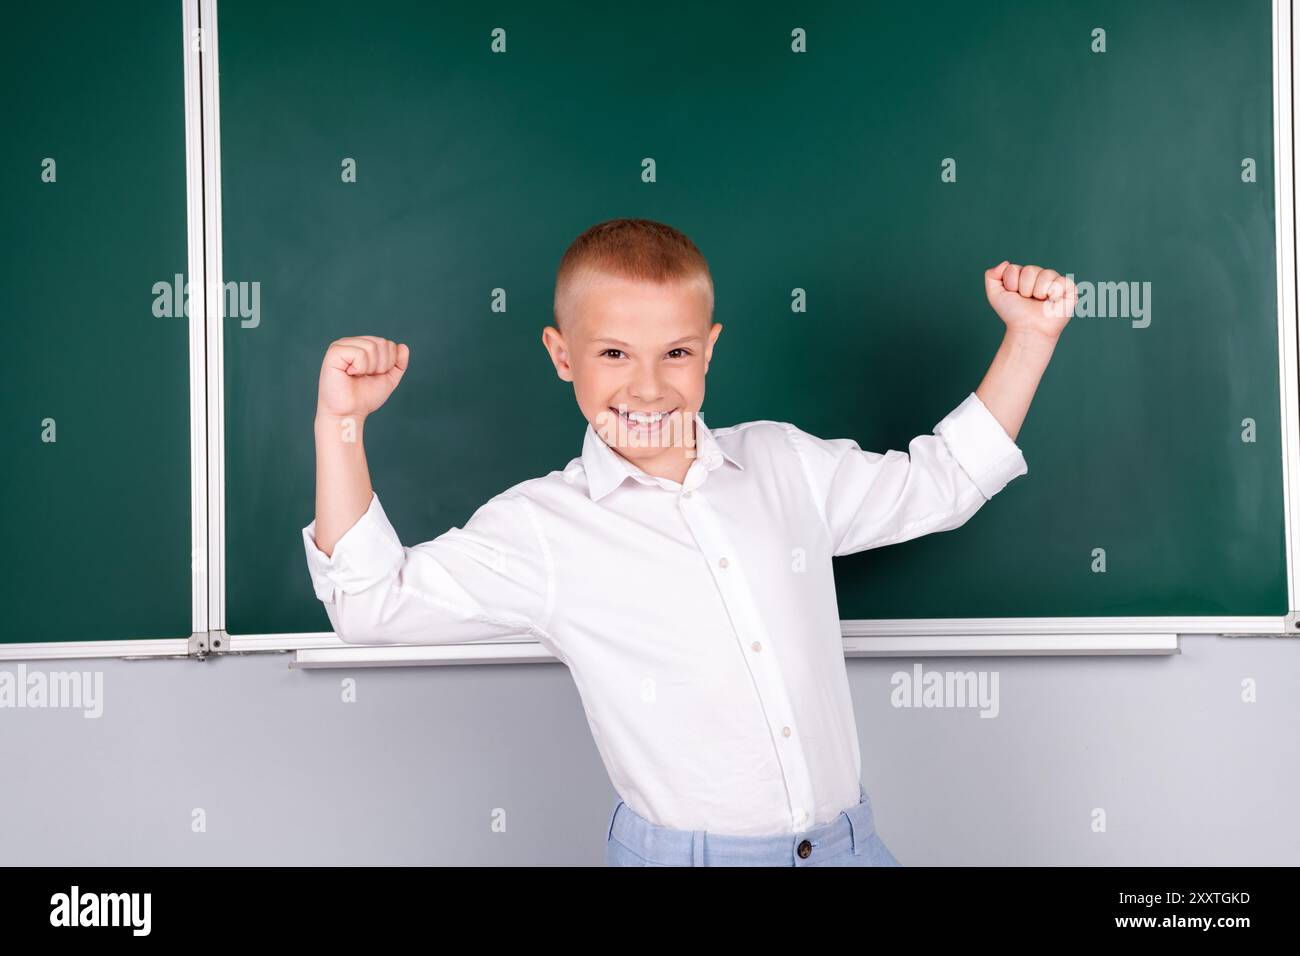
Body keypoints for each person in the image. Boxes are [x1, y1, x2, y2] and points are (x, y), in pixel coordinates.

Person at [302, 218, 1073, 866]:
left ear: (709, 348)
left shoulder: (783, 464)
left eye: (674, 352)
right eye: (612, 353)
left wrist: (1031, 339)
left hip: (846, 848)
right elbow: (370, 605)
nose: (646, 387)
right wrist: (341, 423)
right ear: (561, 354)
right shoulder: (543, 528)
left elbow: (939, 485)